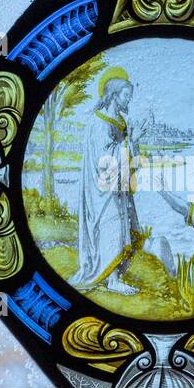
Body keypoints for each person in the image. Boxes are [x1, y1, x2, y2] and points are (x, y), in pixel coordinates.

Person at [69, 67, 142, 295]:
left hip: (117, 186)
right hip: (102, 187)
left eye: (130, 96)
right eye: (125, 96)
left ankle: (115, 276)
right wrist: (131, 143)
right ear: (113, 95)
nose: (128, 100)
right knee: (111, 226)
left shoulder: (118, 120)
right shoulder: (99, 122)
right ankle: (111, 280)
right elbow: (105, 157)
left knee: (120, 226)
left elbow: (126, 154)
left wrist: (134, 143)